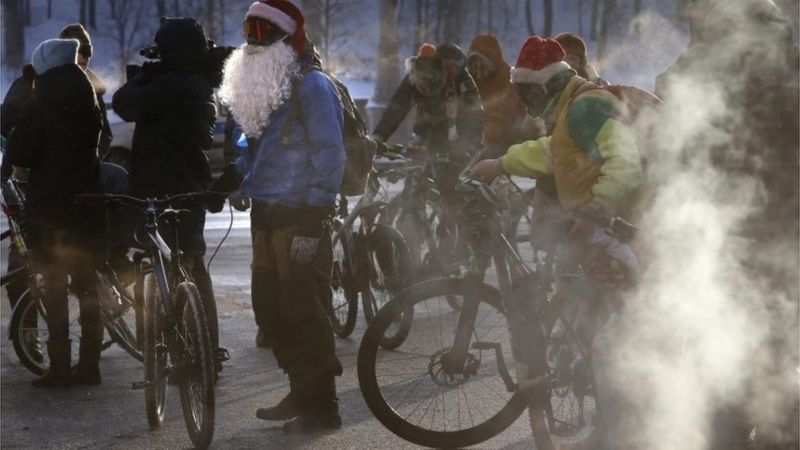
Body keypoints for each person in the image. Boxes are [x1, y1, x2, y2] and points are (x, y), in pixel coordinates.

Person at [469, 35, 644, 450]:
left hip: (625, 237)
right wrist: (501, 162)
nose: (526, 102)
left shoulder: (587, 105)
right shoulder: (569, 109)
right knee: (595, 333)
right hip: (601, 237)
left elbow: (627, 163)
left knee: (615, 345)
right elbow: (555, 152)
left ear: (545, 83)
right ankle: (611, 428)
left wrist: (596, 210)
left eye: (528, 91)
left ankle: (626, 435)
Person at [219, 0, 345, 433]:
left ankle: (322, 406)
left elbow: (330, 150)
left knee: (304, 308)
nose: (252, 44)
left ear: (285, 39)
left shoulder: (312, 86)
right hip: (267, 215)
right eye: (248, 33)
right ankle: (300, 389)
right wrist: (232, 177)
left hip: (301, 214)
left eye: (262, 33)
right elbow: (250, 143)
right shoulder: (268, 88)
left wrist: (317, 211)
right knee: (270, 309)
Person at [112, 17, 228, 372]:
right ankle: (205, 351)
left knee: (173, 268)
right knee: (191, 265)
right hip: (188, 187)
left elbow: (123, 103)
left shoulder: (176, 85)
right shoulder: (196, 82)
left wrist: (145, 78)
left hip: (163, 189)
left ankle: (184, 353)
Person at [5, 38, 106, 387]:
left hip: (51, 208)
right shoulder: (88, 94)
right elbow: (103, 140)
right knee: (87, 285)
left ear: (45, 66)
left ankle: (60, 366)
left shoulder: (42, 101)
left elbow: (23, 153)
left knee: (54, 286)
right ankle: (91, 364)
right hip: (88, 203)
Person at [371, 43, 484, 158]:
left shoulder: (462, 80)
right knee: (413, 169)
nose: (426, 88)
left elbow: (475, 115)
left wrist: (468, 146)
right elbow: (397, 108)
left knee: (447, 172)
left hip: (456, 138)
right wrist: (379, 136)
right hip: (423, 136)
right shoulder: (414, 75)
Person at [467, 34, 531, 158]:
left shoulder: (507, 79)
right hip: (482, 135)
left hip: (509, 137)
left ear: (492, 60)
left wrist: (483, 144)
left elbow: (500, 116)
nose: (477, 67)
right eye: (473, 62)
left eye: (481, 62)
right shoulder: (469, 79)